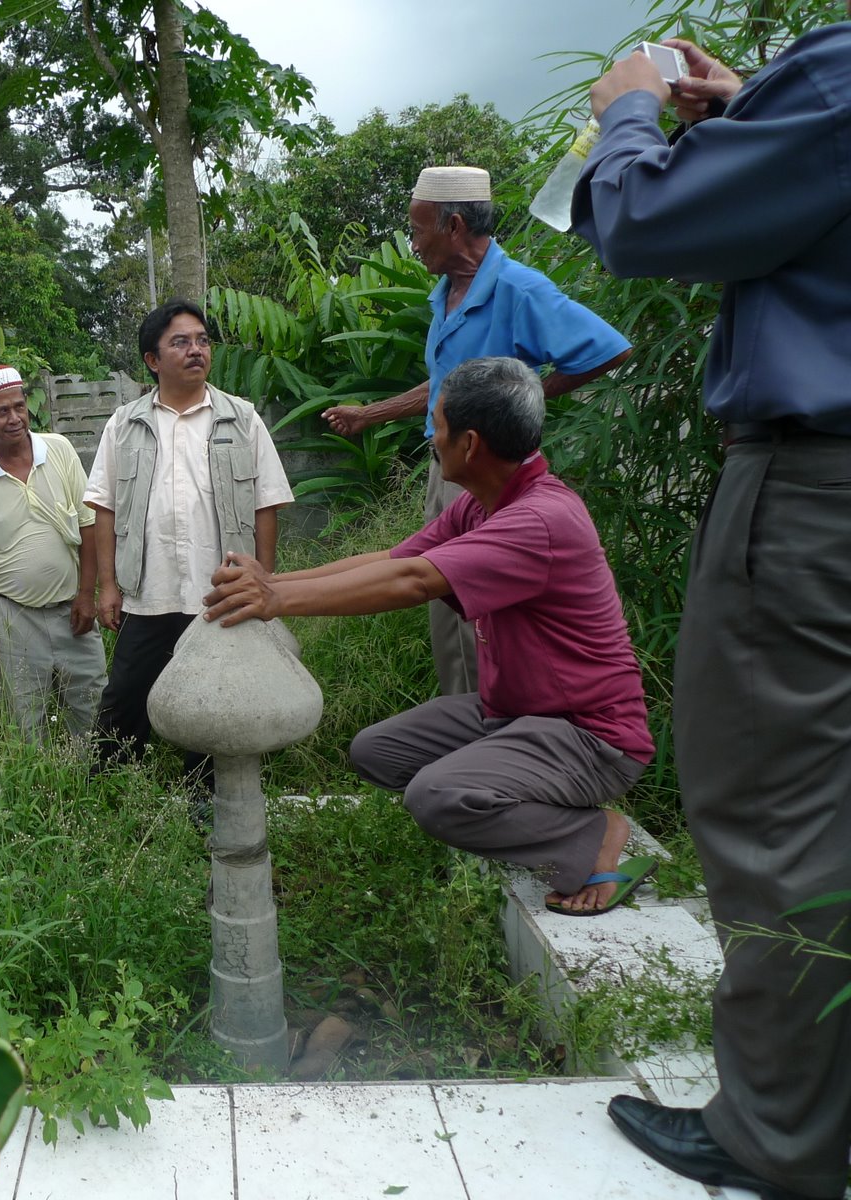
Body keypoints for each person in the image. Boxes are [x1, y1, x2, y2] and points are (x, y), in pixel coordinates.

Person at [573, 22, 851, 1200]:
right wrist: (750, 117)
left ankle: (778, 1138)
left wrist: (630, 110)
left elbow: (643, 222)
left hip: (812, 486)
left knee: (775, 808)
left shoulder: (840, 75)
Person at [207, 358, 656, 915]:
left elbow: (414, 580)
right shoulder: (484, 503)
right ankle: (512, 793)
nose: (431, 436)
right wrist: (272, 583)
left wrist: (276, 602)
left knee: (435, 795)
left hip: (590, 736)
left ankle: (592, 835)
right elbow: (397, 558)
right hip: (514, 713)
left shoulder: (538, 520)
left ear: (469, 444)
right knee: (379, 752)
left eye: (436, 424)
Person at [324, 165, 632, 697]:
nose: (414, 244)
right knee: (447, 615)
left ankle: (484, 740)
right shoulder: (446, 294)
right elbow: (450, 388)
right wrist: (369, 415)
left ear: (455, 225)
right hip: (450, 471)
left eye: (418, 230)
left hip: (489, 482)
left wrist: (521, 398)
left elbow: (607, 348)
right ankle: (462, 729)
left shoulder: (517, 288)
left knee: (474, 620)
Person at [85, 298, 293, 775]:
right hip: (147, 592)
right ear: (153, 360)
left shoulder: (241, 419)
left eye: (202, 341)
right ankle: (111, 795)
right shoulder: (125, 424)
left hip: (219, 593)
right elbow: (104, 506)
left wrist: (263, 581)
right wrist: (109, 587)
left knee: (215, 703)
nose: (195, 350)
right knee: (125, 703)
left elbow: (267, 504)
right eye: (180, 342)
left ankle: (205, 802)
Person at [0, 365, 106, 740]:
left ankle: (88, 786)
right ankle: (35, 790)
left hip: (73, 609)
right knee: (23, 719)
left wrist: (88, 595)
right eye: (1, 412)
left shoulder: (60, 450)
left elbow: (89, 525)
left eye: (19, 407)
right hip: (11, 617)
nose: (15, 418)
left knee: (93, 708)